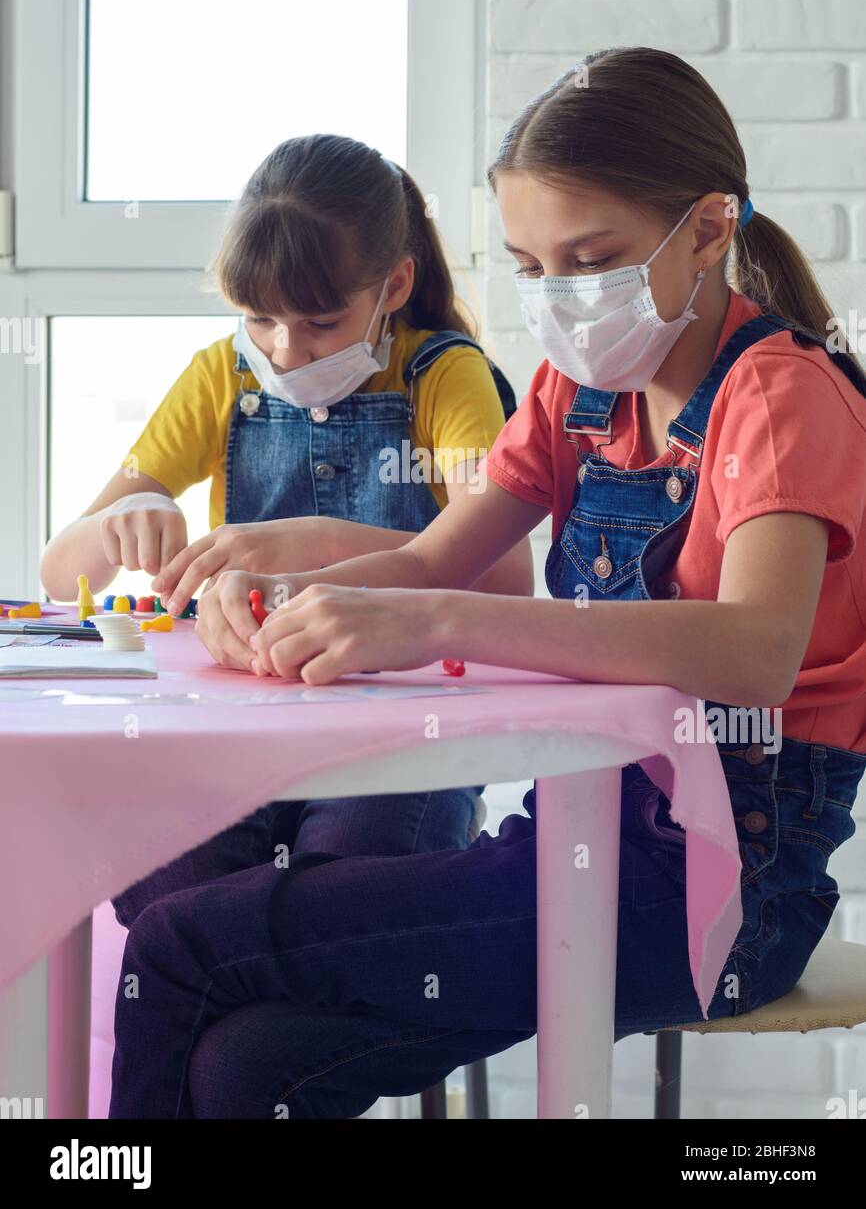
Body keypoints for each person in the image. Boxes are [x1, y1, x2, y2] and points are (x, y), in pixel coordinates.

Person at [109, 48, 866, 1119]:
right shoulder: (576, 390)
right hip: (573, 840)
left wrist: (431, 620)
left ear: (706, 228)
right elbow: (427, 560)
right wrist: (276, 600)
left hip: (719, 897)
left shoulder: (781, 396)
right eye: (527, 264)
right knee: (246, 1065)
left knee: (184, 940)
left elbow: (754, 649)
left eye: (588, 257)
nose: (556, 298)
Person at [40, 135, 531, 928]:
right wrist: (122, 522)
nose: (283, 349)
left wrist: (318, 541)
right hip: (238, 723)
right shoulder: (220, 376)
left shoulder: (445, 375)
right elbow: (60, 574)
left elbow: (509, 579)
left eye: (320, 323)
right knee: (163, 876)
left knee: (350, 887)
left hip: (402, 725)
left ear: (394, 286)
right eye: (259, 318)